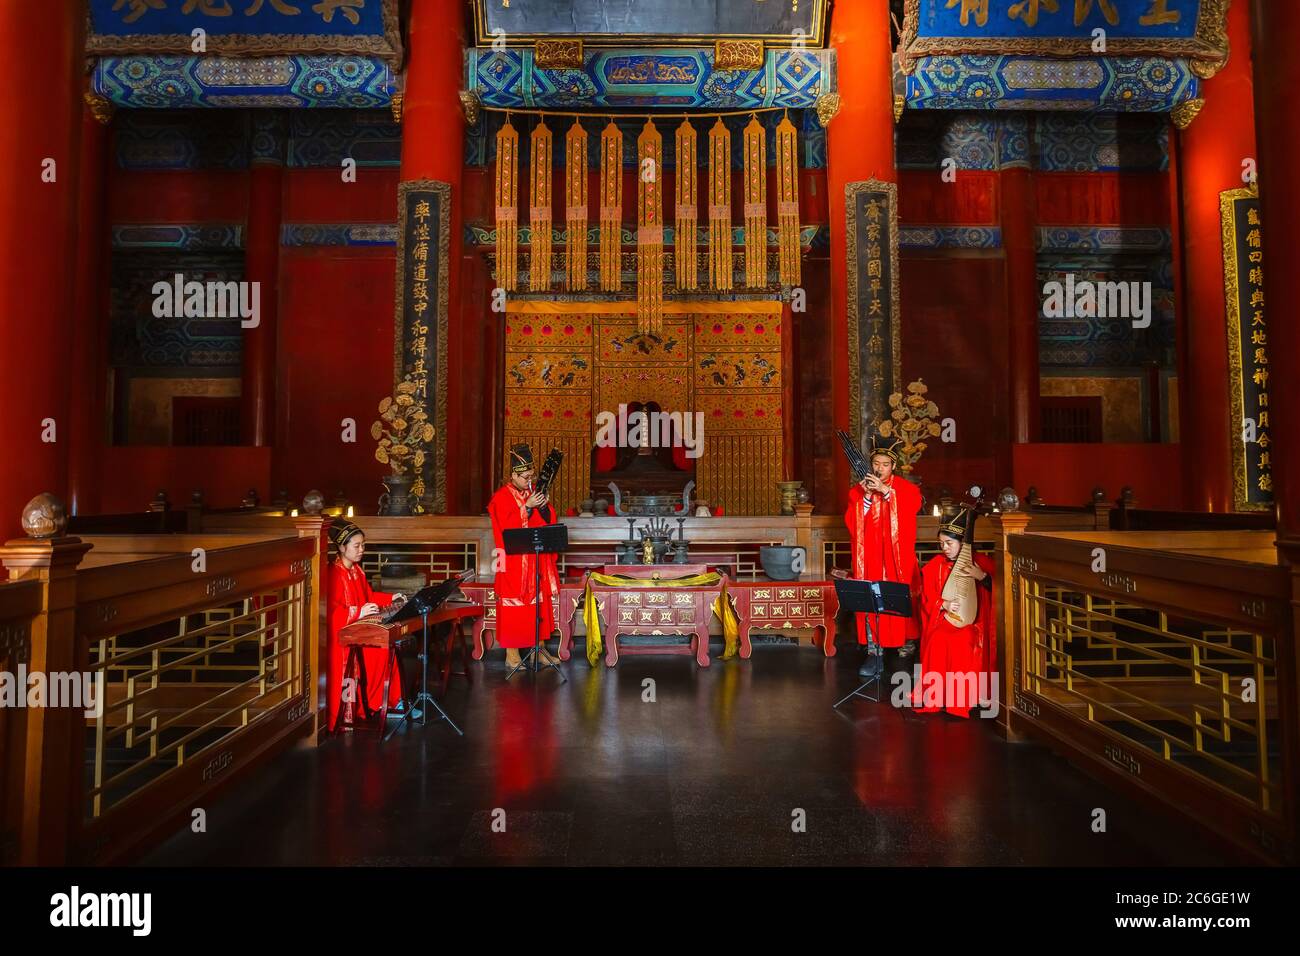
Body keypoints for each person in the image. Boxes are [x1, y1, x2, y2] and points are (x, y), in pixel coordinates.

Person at [844, 433, 921, 678]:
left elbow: (912, 508)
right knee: (870, 598)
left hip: (896, 557)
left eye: (885, 465)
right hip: (871, 558)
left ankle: (903, 642)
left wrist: (887, 491)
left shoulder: (906, 489)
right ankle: (873, 650)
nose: (880, 469)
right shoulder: (858, 490)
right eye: (876, 464)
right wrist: (867, 496)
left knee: (898, 595)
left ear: (894, 466)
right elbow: (852, 522)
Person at [911, 508, 995, 718]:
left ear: (962, 543)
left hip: (974, 622)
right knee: (938, 639)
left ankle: (964, 698)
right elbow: (926, 597)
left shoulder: (981, 562)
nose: (945, 548)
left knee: (963, 639)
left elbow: (1001, 590)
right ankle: (938, 697)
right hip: (944, 620)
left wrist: (982, 576)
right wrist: (944, 604)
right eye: (941, 544)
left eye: (949, 543)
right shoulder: (935, 566)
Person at [326, 519, 407, 730]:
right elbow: (331, 612)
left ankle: (389, 703)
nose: (362, 549)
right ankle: (382, 704)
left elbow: (369, 596)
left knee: (388, 650)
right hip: (344, 638)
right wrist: (358, 612)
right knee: (382, 652)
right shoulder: (334, 574)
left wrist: (391, 598)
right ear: (342, 547)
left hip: (359, 631)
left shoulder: (357, 571)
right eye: (357, 546)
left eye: (363, 545)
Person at [487, 443, 561, 669]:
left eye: (532, 476)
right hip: (512, 561)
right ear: (513, 475)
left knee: (536, 606)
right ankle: (512, 655)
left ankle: (538, 651)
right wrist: (526, 508)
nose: (529, 481)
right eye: (525, 477)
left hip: (534, 559)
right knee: (514, 606)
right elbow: (506, 528)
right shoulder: (501, 497)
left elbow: (545, 524)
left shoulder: (532, 494)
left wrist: (544, 507)